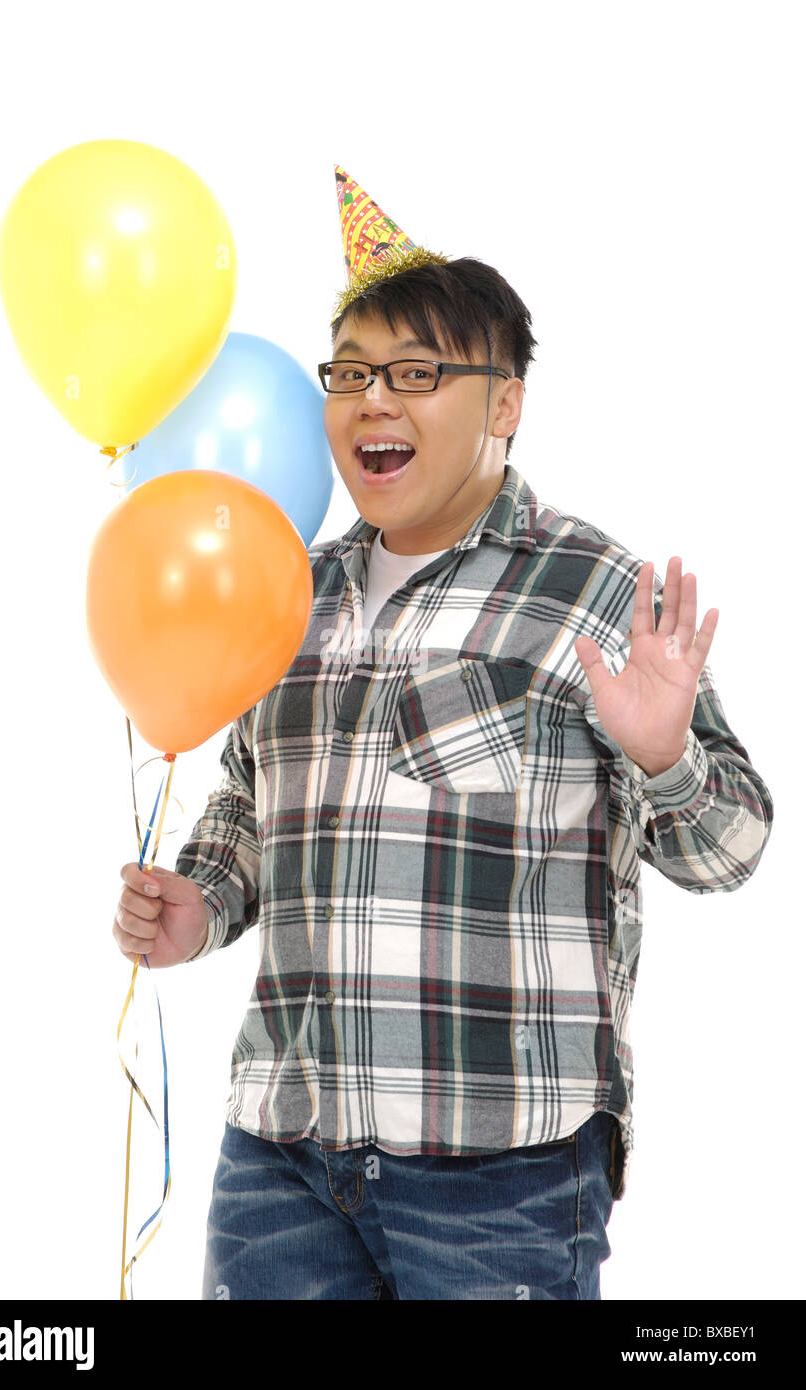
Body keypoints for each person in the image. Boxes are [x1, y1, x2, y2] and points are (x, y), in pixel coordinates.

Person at [111, 168, 774, 1300]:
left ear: (502, 403)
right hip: (280, 1154)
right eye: (352, 373)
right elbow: (246, 798)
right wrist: (200, 901)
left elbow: (729, 851)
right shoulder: (285, 591)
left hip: (496, 1177)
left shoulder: (588, 589)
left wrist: (662, 753)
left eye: (415, 373)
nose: (374, 400)